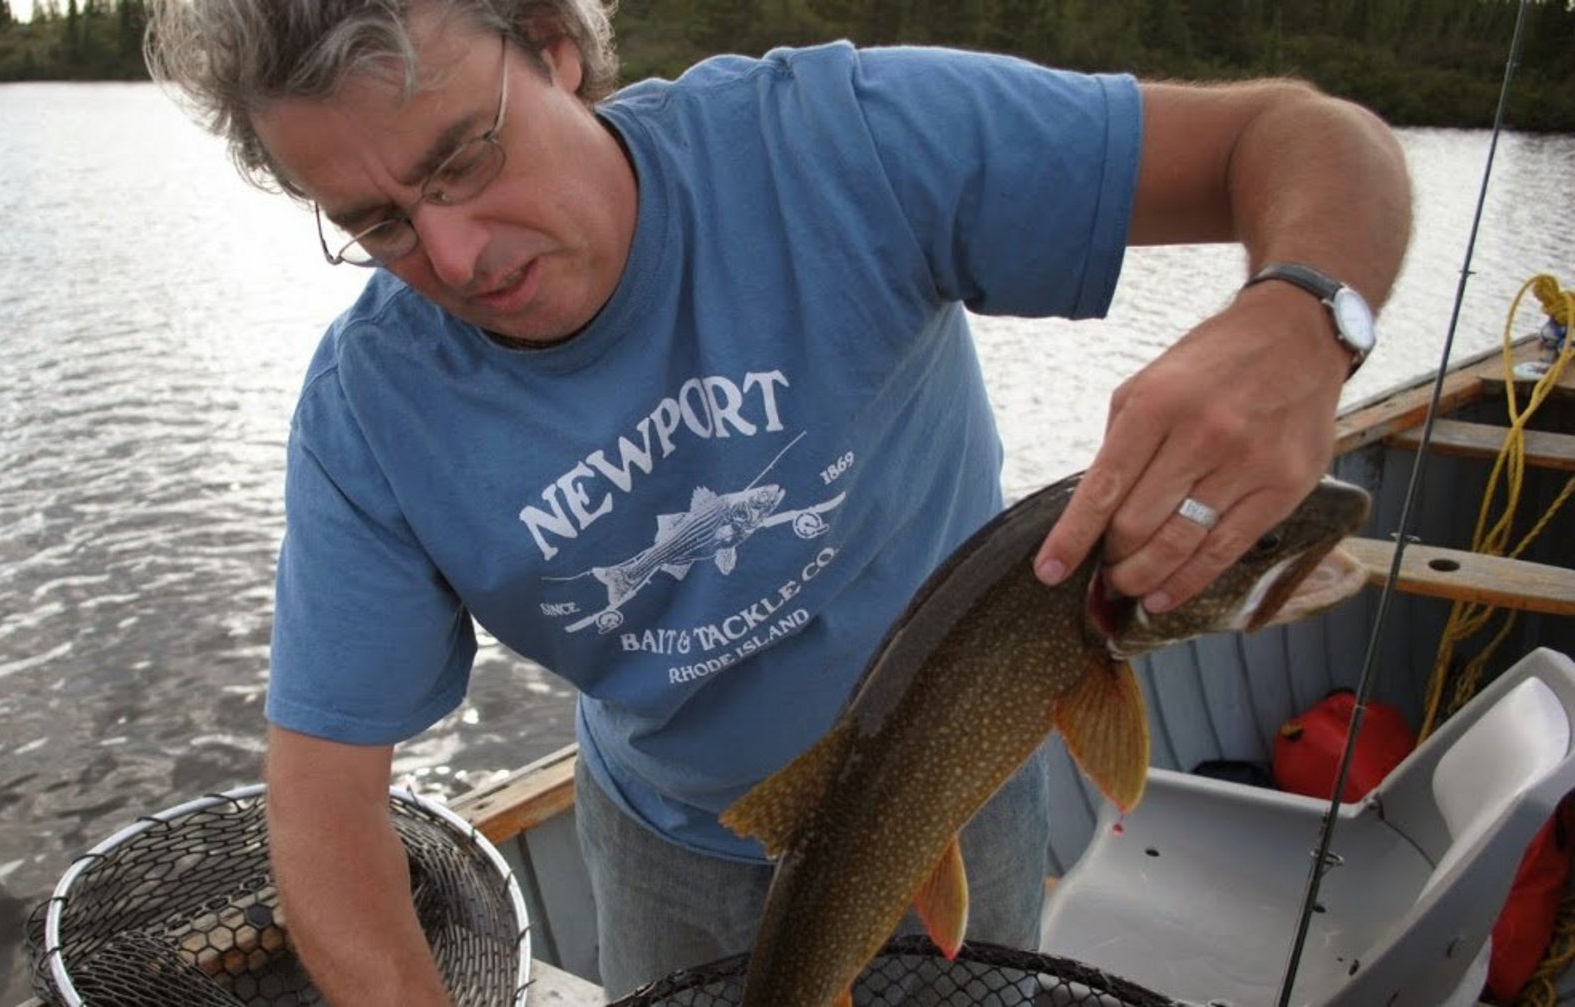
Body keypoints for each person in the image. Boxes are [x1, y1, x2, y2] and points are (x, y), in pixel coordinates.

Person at [146, 0, 1411, 1002]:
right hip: (664, 835)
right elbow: (321, 800)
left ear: (550, 45)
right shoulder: (372, 412)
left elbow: (1303, 137)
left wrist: (1304, 317)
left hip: (962, 780)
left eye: (466, 157)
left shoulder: (833, 143)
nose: (460, 256)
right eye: (378, 224)